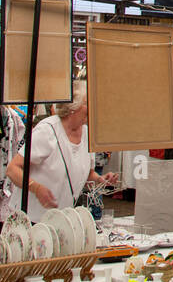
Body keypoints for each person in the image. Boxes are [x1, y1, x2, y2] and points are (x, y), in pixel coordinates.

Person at [7, 79, 118, 221]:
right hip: (31, 220)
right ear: (73, 106)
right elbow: (12, 169)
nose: (92, 108)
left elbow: (86, 173)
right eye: (87, 103)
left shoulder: (87, 134)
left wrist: (100, 179)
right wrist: (36, 188)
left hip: (60, 221)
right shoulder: (48, 130)